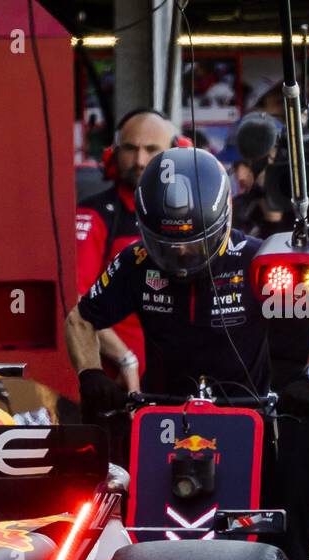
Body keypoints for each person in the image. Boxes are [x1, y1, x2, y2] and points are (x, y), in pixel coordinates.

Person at [67, 147, 268, 425]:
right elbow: (81, 319)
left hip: (247, 414)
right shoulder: (136, 262)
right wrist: (90, 373)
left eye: (195, 241)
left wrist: (306, 373)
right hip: (163, 413)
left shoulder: (256, 260)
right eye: (167, 245)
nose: (183, 252)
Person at [71, 109, 183, 390]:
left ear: (175, 152)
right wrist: (125, 359)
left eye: (151, 149)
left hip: (182, 380)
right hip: (121, 385)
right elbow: (78, 299)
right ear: (114, 152)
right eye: (130, 149)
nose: (140, 160)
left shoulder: (192, 216)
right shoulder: (94, 214)